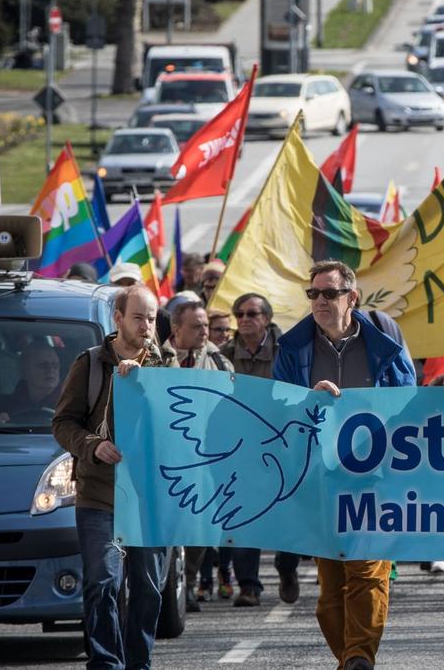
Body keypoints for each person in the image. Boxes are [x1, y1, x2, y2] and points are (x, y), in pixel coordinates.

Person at [273, 261, 417, 670]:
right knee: (331, 592)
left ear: (352, 297)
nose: (319, 301)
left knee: (368, 573)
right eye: (313, 294)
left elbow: (407, 398)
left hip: (374, 478)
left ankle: (358, 658)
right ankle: (350, 660)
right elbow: (277, 408)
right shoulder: (293, 347)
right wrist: (308, 400)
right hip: (320, 480)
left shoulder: (384, 338)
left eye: (329, 293)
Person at [50, 285, 177, 670]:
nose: (146, 326)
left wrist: (145, 384)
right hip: (100, 496)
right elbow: (63, 423)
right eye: (138, 318)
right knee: (103, 582)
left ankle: (138, 662)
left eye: (151, 318)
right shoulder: (90, 364)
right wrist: (92, 445)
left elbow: (180, 424)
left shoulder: (167, 367)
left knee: (149, 589)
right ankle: (106, 663)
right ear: (118, 319)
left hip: (149, 499)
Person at [160, 300, 235, 609]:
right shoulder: (155, 359)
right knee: (167, 526)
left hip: (206, 460)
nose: (204, 331)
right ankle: (164, 587)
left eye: (206, 325)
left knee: (203, 526)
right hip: (166, 459)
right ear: (177, 329)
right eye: (196, 326)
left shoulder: (219, 363)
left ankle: (187, 583)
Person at [216, 293, 283, 607]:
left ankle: (287, 566)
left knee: (289, 514)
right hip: (241, 448)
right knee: (245, 515)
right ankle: (249, 586)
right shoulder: (224, 355)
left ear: (266, 319)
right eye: (239, 314)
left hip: (283, 445)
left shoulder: (288, 352)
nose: (244, 319)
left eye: (252, 313)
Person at [0, 341, 63, 422]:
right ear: (25, 370)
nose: (50, 370)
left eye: (55, 365)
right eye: (43, 365)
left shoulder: (70, 404)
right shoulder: (7, 406)